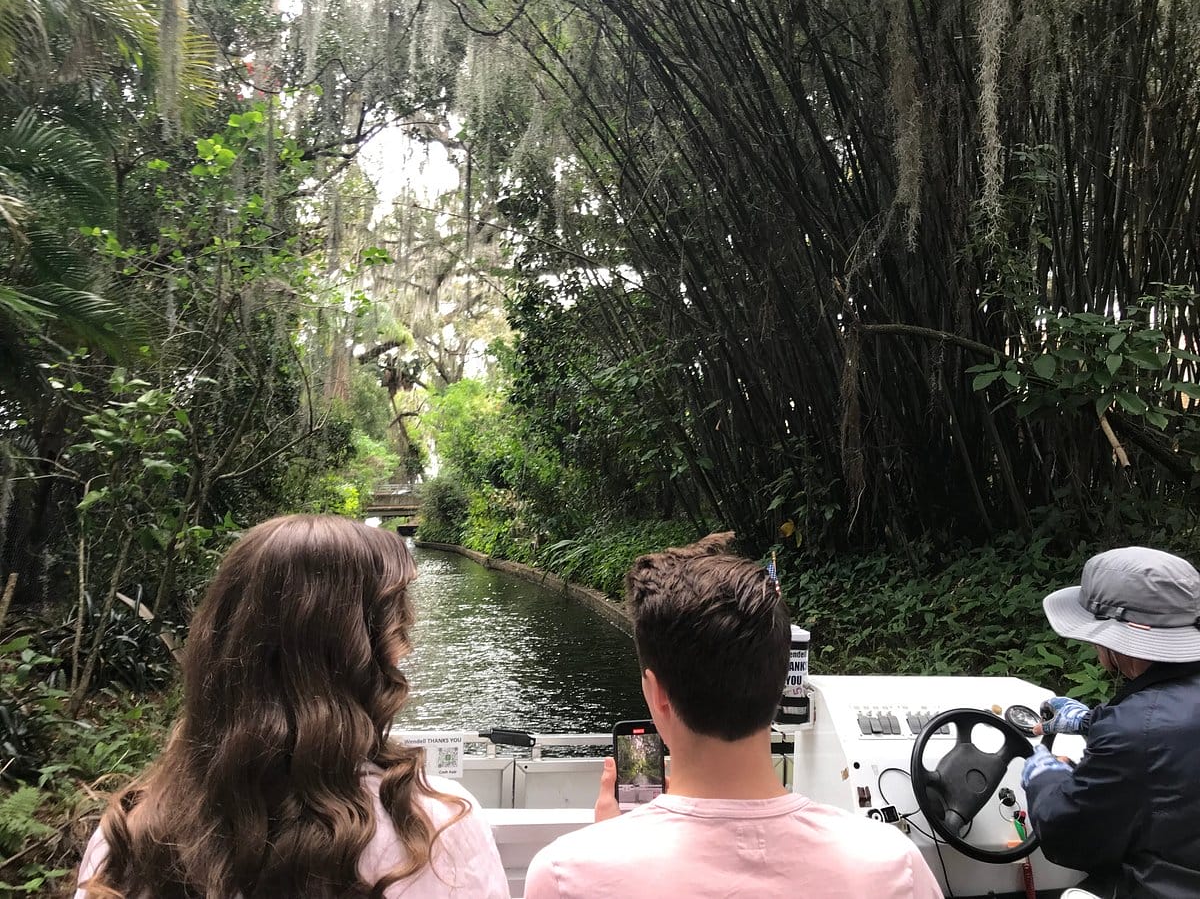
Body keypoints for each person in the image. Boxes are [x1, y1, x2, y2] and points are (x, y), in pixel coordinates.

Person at [75, 515, 508, 899]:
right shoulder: (432, 830)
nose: (406, 651)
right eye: (399, 630)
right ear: (361, 656)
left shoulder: (130, 836)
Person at [524, 533, 942, 899]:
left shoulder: (568, 874)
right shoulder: (894, 866)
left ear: (658, 695)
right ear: (781, 682)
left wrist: (608, 844)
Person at [1021, 546, 1200, 899]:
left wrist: (1045, 778)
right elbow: (1172, 727)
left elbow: (1070, 839)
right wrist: (1093, 721)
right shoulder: (1135, 725)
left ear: (1115, 643)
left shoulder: (1130, 732)